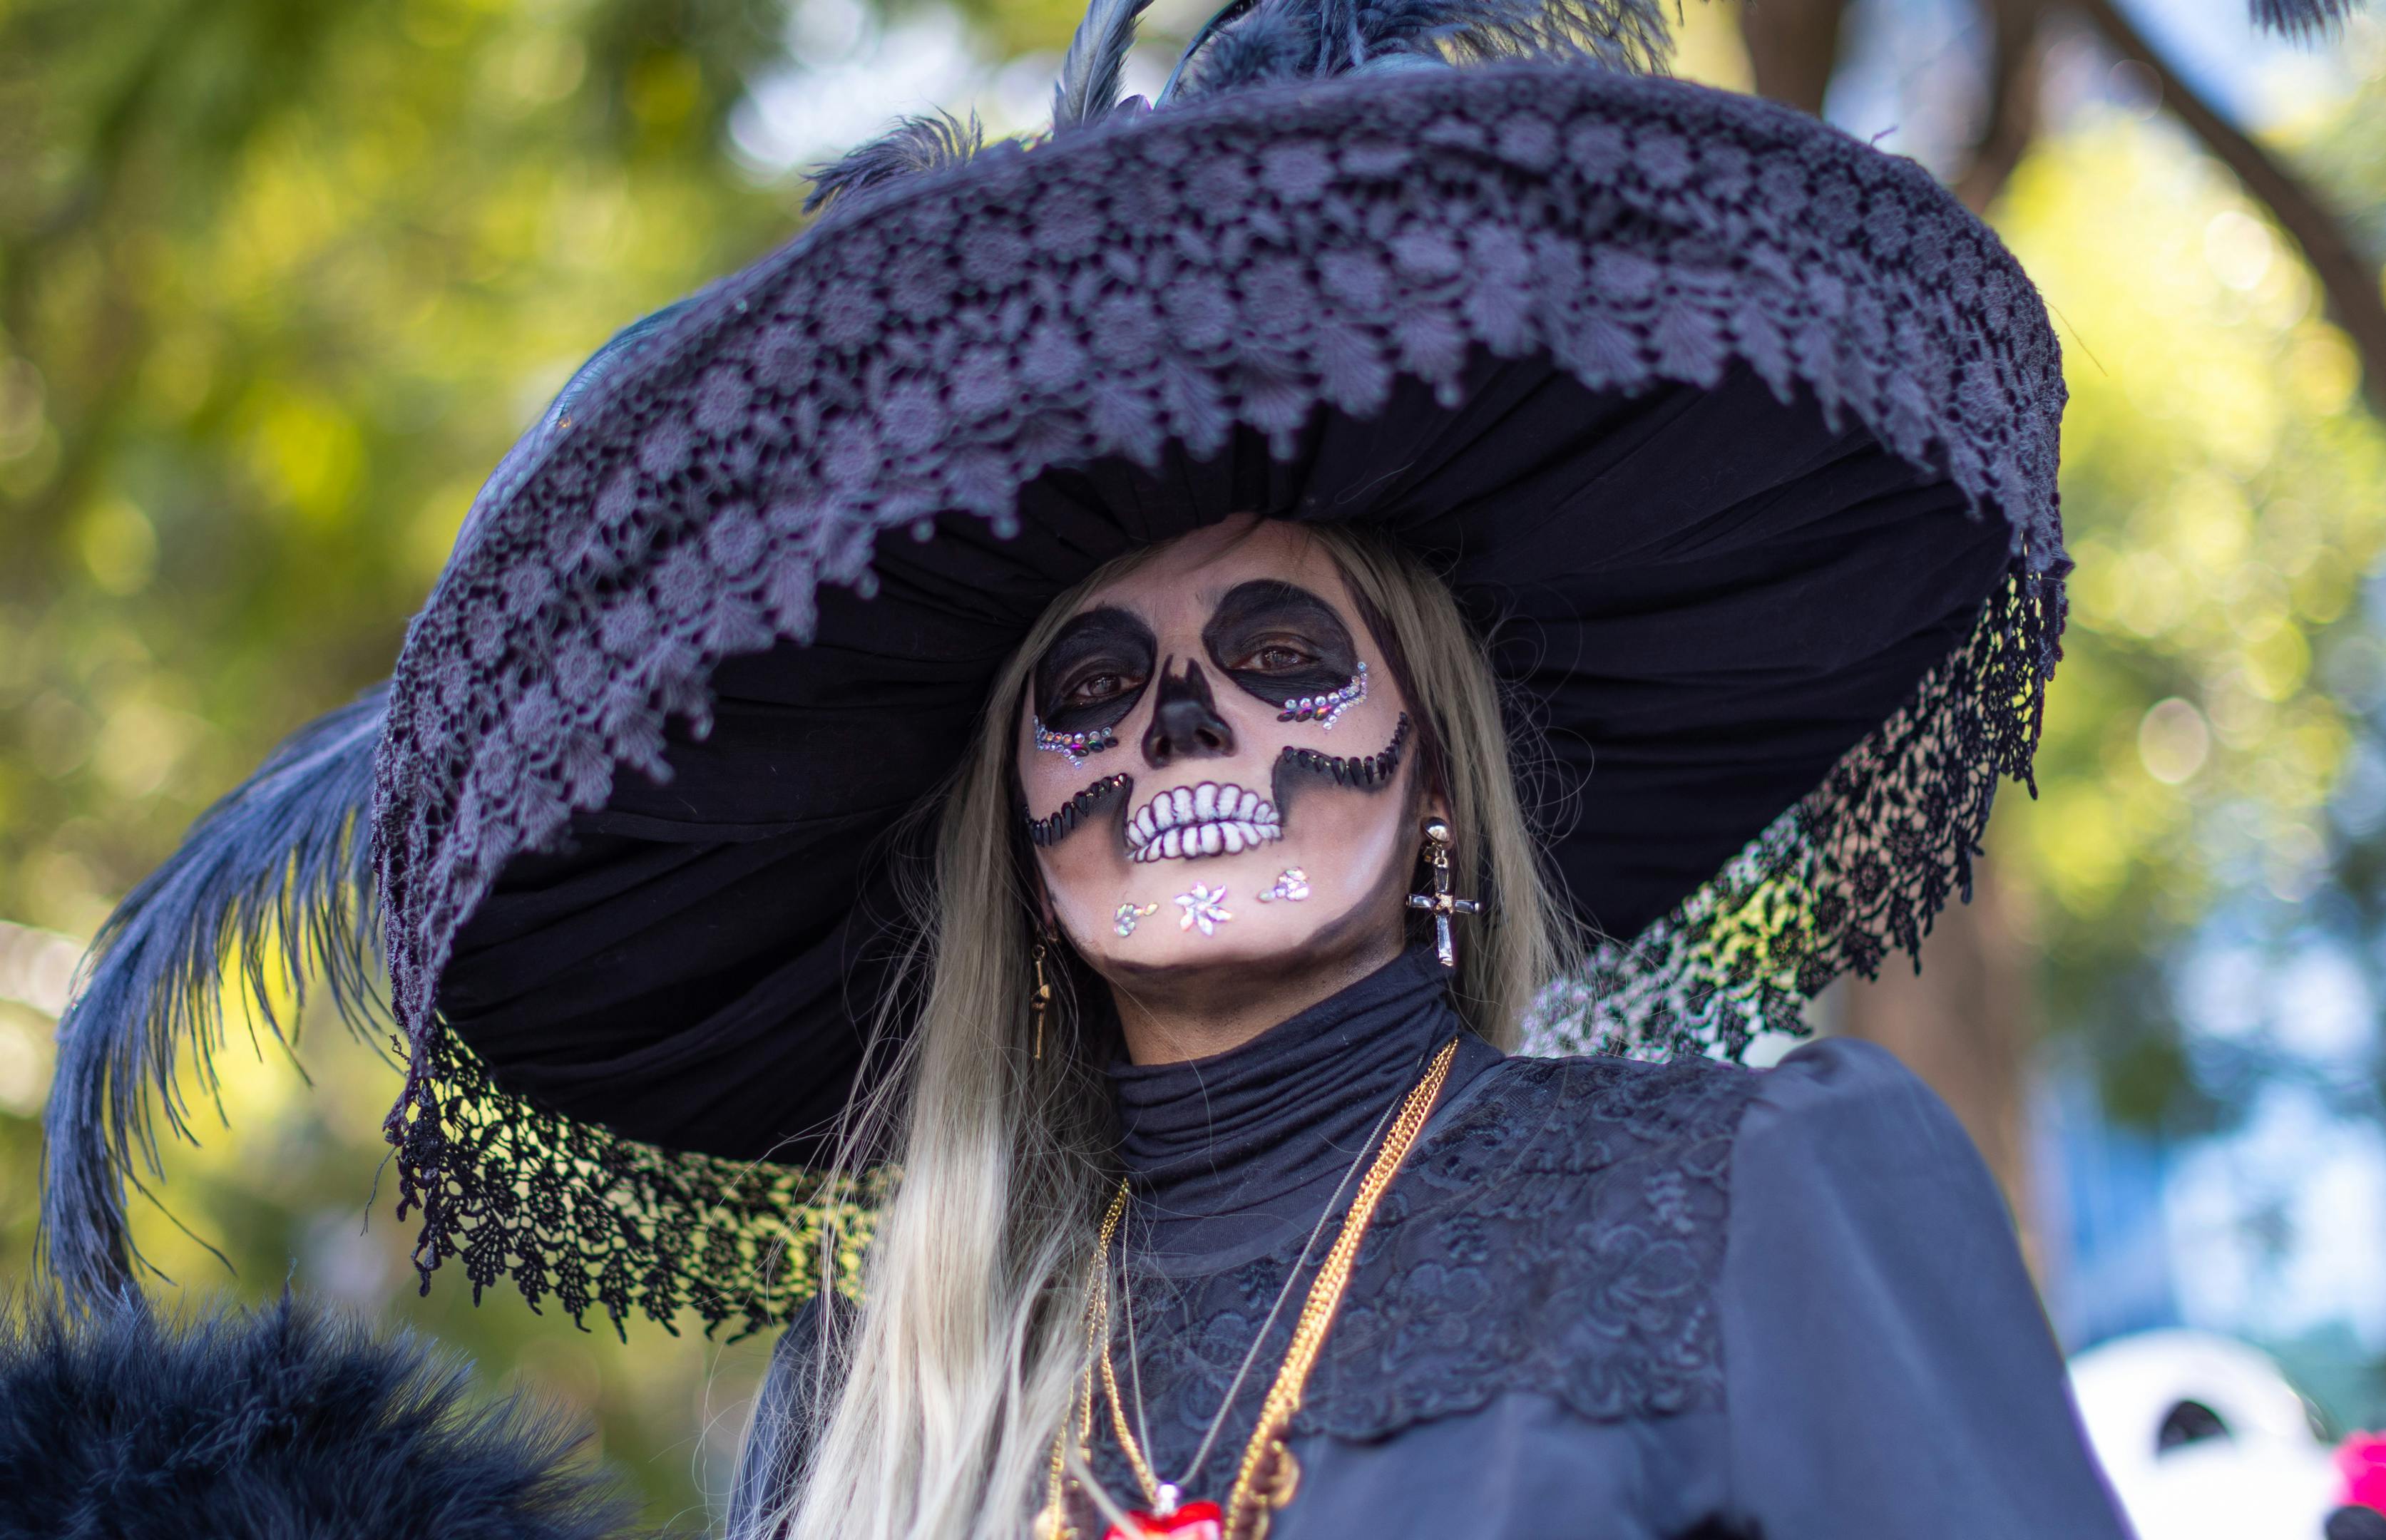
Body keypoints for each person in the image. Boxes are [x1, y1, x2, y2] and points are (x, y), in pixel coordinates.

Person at [57, 0, 2335, 1531]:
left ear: (1431, 765)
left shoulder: (1759, 1190)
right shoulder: (875, 1387)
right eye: (1084, 688)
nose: (1178, 738)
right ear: (1012, 850)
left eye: (1273, 653)